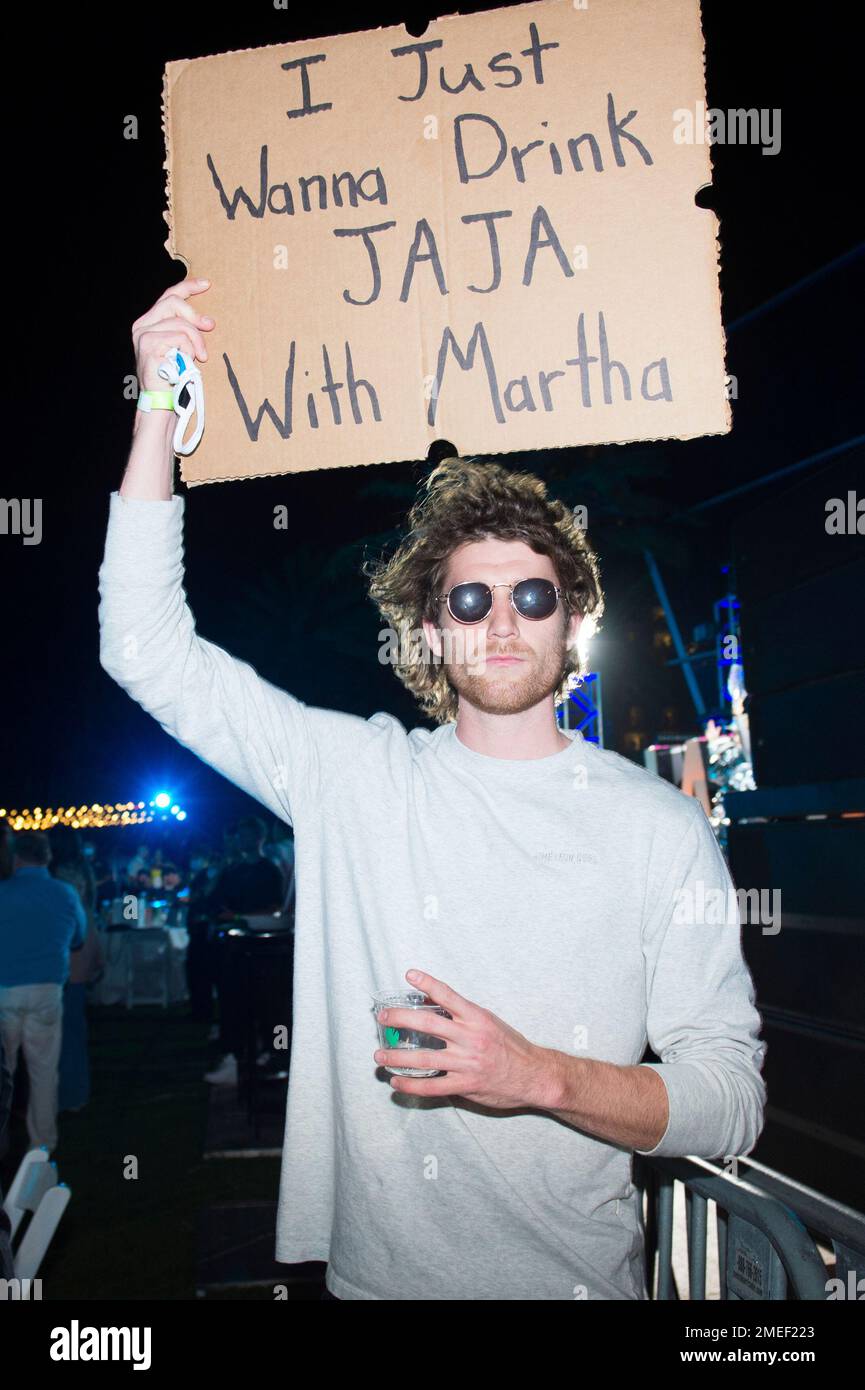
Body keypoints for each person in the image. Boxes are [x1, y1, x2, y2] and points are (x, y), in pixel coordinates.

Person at [97, 274, 767, 1301]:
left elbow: (728, 1099)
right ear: (430, 629)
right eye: (470, 596)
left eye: (532, 594)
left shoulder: (660, 827)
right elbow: (145, 646)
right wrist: (155, 406)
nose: (502, 619)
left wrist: (537, 1075)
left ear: (569, 623)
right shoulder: (352, 776)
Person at [0, 832, 85, 1153]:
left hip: (4, 992)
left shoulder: (3, 893)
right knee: (44, 1073)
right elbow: (78, 936)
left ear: (16, 857)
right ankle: (42, 1146)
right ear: (47, 857)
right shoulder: (65, 894)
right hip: (47, 991)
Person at [201, 817, 285, 1083]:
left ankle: (269, 1055)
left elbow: (274, 909)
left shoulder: (269, 870)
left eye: (246, 836)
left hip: (262, 949)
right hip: (234, 947)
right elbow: (212, 900)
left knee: (267, 1008)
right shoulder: (231, 869)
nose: (241, 842)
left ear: (258, 838)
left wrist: (236, 915)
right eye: (239, 837)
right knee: (233, 1005)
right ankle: (238, 1056)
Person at [49, 831, 105, 1114]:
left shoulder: (58, 874)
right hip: (84, 942)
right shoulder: (84, 871)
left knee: (65, 1027)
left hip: (68, 947)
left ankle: (67, 1093)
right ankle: (76, 1090)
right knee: (74, 1026)